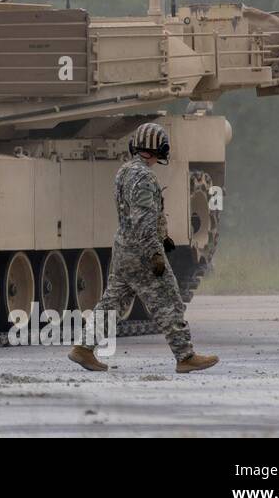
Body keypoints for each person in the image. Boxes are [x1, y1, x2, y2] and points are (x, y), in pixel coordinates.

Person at [68, 122, 219, 373]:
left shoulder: (124, 172)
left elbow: (132, 216)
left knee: (112, 302)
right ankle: (185, 356)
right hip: (142, 253)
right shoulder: (145, 177)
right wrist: (155, 254)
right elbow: (143, 220)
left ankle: (83, 348)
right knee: (170, 299)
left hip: (123, 249)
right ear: (157, 148)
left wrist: (162, 236)